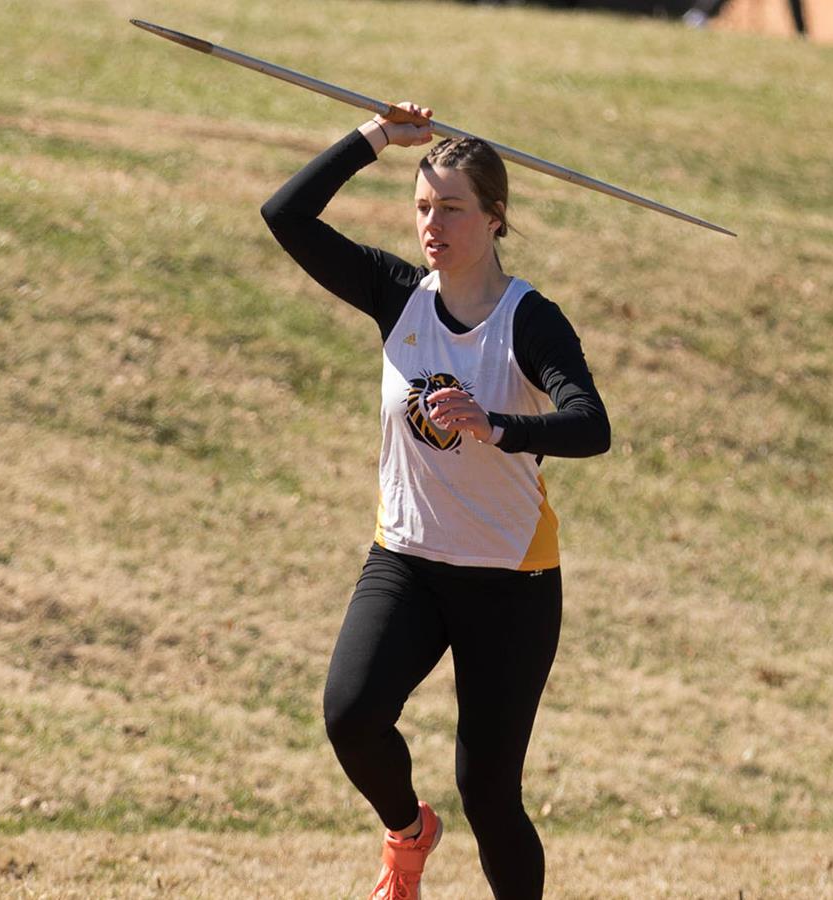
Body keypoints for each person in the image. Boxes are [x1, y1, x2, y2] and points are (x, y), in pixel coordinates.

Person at [260, 102, 611, 900]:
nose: (432, 225)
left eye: (451, 208)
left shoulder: (529, 321)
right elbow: (285, 216)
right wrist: (377, 137)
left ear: (494, 218)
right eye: (422, 207)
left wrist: (498, 426)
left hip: (508, 578)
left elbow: (591, 426)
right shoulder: (399, 295)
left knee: (488, 792)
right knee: (351, 714)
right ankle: (408, 830)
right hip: (408, 561)